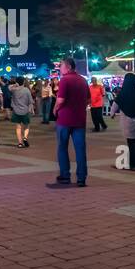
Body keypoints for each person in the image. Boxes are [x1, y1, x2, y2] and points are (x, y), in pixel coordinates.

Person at [54, 57, 90, 187]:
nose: (60, 68)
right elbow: (88, 100)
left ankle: (65, 175)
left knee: (62, 147)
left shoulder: (65, 80)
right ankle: (81, 178)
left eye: (61, 66)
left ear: (68, 67)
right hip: (80, 120)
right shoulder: (83, 80)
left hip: (65, 119)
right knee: (80, 149)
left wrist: (55, 109)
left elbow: (60, 100)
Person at [9, 76, 34, 148]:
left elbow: (9, 87)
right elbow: (30, 101)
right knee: (27, 126)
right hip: (25, 110)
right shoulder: (26, 90)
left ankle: (20, 143)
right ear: (24, 82)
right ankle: (25, 137)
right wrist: (32, 109)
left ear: (17, 82)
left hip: (16, 110)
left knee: (18, 127)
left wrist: (15, 84)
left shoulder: (14, 90)